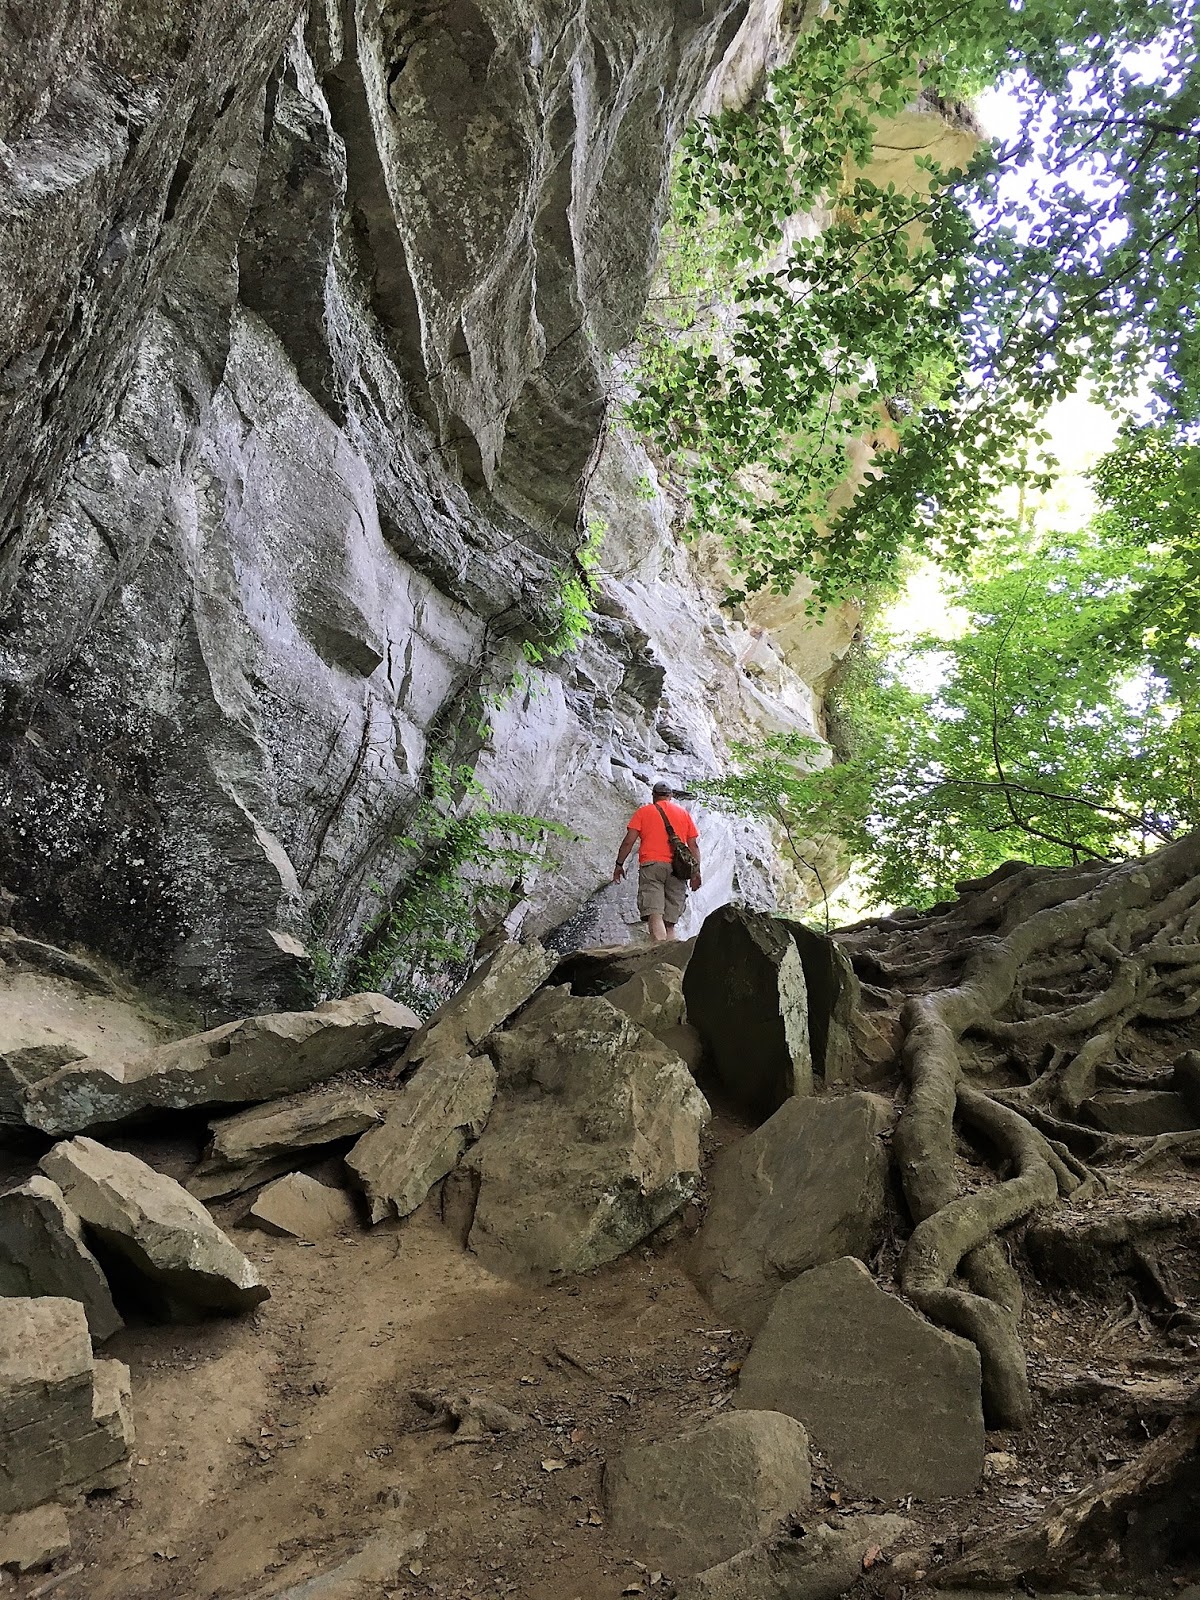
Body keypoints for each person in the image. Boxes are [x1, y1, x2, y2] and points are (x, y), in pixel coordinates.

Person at [613, 781, 702, 942]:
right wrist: (696, 872)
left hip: (652, 867)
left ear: (654, 795)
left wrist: (619, 864)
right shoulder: (683, 814)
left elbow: (628, 841)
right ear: (671, 796)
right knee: (670, 922)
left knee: (655, 914)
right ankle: (670, 961)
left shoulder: (643, 812)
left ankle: (658, 955)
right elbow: (693, 845)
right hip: (678, 868)